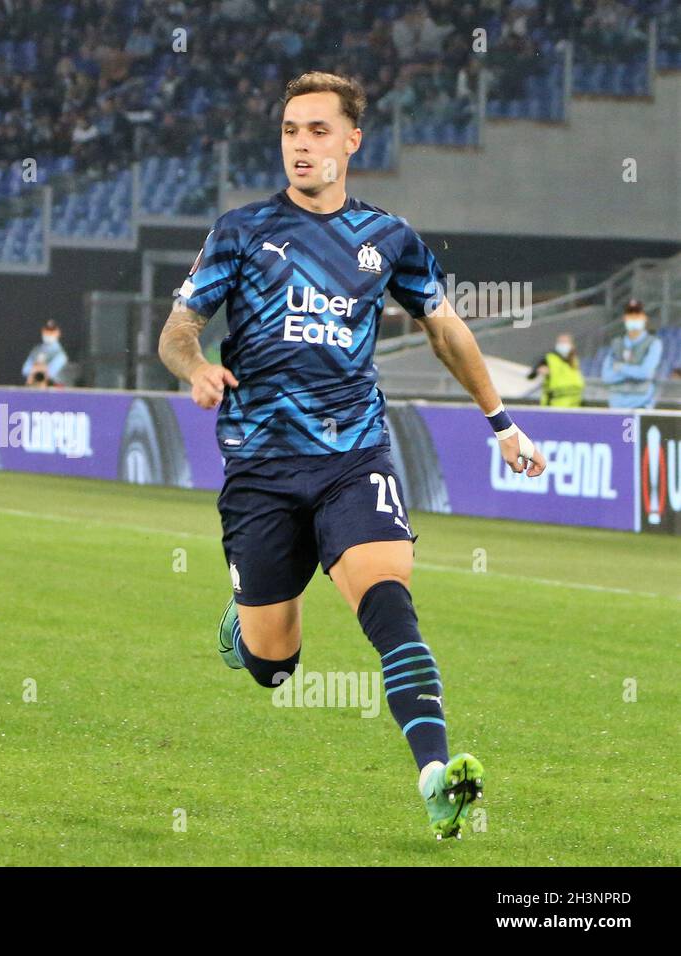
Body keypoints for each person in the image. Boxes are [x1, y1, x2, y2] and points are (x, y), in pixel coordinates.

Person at [158, 72, 547, 841]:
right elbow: (177, 329)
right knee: (275, 666)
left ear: (351, 140)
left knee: (390, 603)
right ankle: (247, 626)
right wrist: (195, 367)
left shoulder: (389, 239)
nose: (301, 145)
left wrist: (502, 424)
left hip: (352, 456)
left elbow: (446, 331)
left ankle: (435, 776)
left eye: (317, 131)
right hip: (262, 469)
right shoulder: (240, 231)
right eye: (290, 132)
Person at [601, 300, 663, 409]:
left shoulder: (653, 343)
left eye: (637, 315)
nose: (634, 319)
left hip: (641, 405)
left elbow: (646, 373)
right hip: (616, 406)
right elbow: (607, 376)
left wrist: (621, 367)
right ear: (625, 318)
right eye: (630, 315)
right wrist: (635, 372)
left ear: (644, 318)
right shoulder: (617, 343)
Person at [527, 332, 584, 407]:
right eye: (561, 342)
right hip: (554, 404)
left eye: (565, 342)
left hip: (574, 405)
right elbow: (531, 375)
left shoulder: (574, 360)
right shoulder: (549, 358)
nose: (563, 345)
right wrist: (541, 371)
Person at [21, 320, 68, 385]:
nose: (49, 334)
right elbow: (25, 370)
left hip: (55, 389)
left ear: (58, 333)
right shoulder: (37, 350)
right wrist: (35, 370)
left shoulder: (60, 354)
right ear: (43, 331)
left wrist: (38, 369)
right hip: (34, 386)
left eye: (52, 332)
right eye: (47, 331)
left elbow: (51, 374)